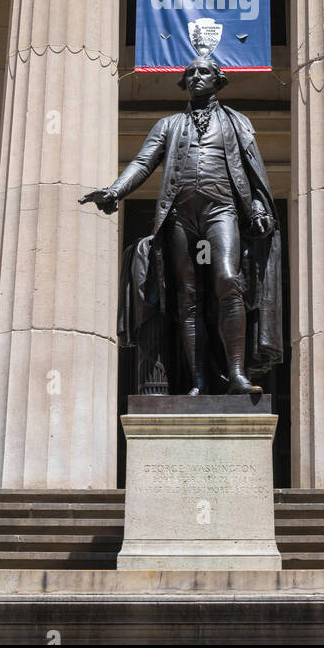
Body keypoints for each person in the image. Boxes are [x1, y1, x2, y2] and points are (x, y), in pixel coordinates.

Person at [80, 56, 282, 395]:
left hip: (222, 210)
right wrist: (116, 190)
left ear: (218, 80)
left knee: (228, 280)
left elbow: (254, 175)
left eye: (203, 72)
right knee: (188, 299)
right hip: (179, 215)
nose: (196, 77)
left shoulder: (237, 123)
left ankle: (236, 375)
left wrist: (259, 207)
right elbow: (144, 161)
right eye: (190, 73)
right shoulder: (168, 125)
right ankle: (199, 382)